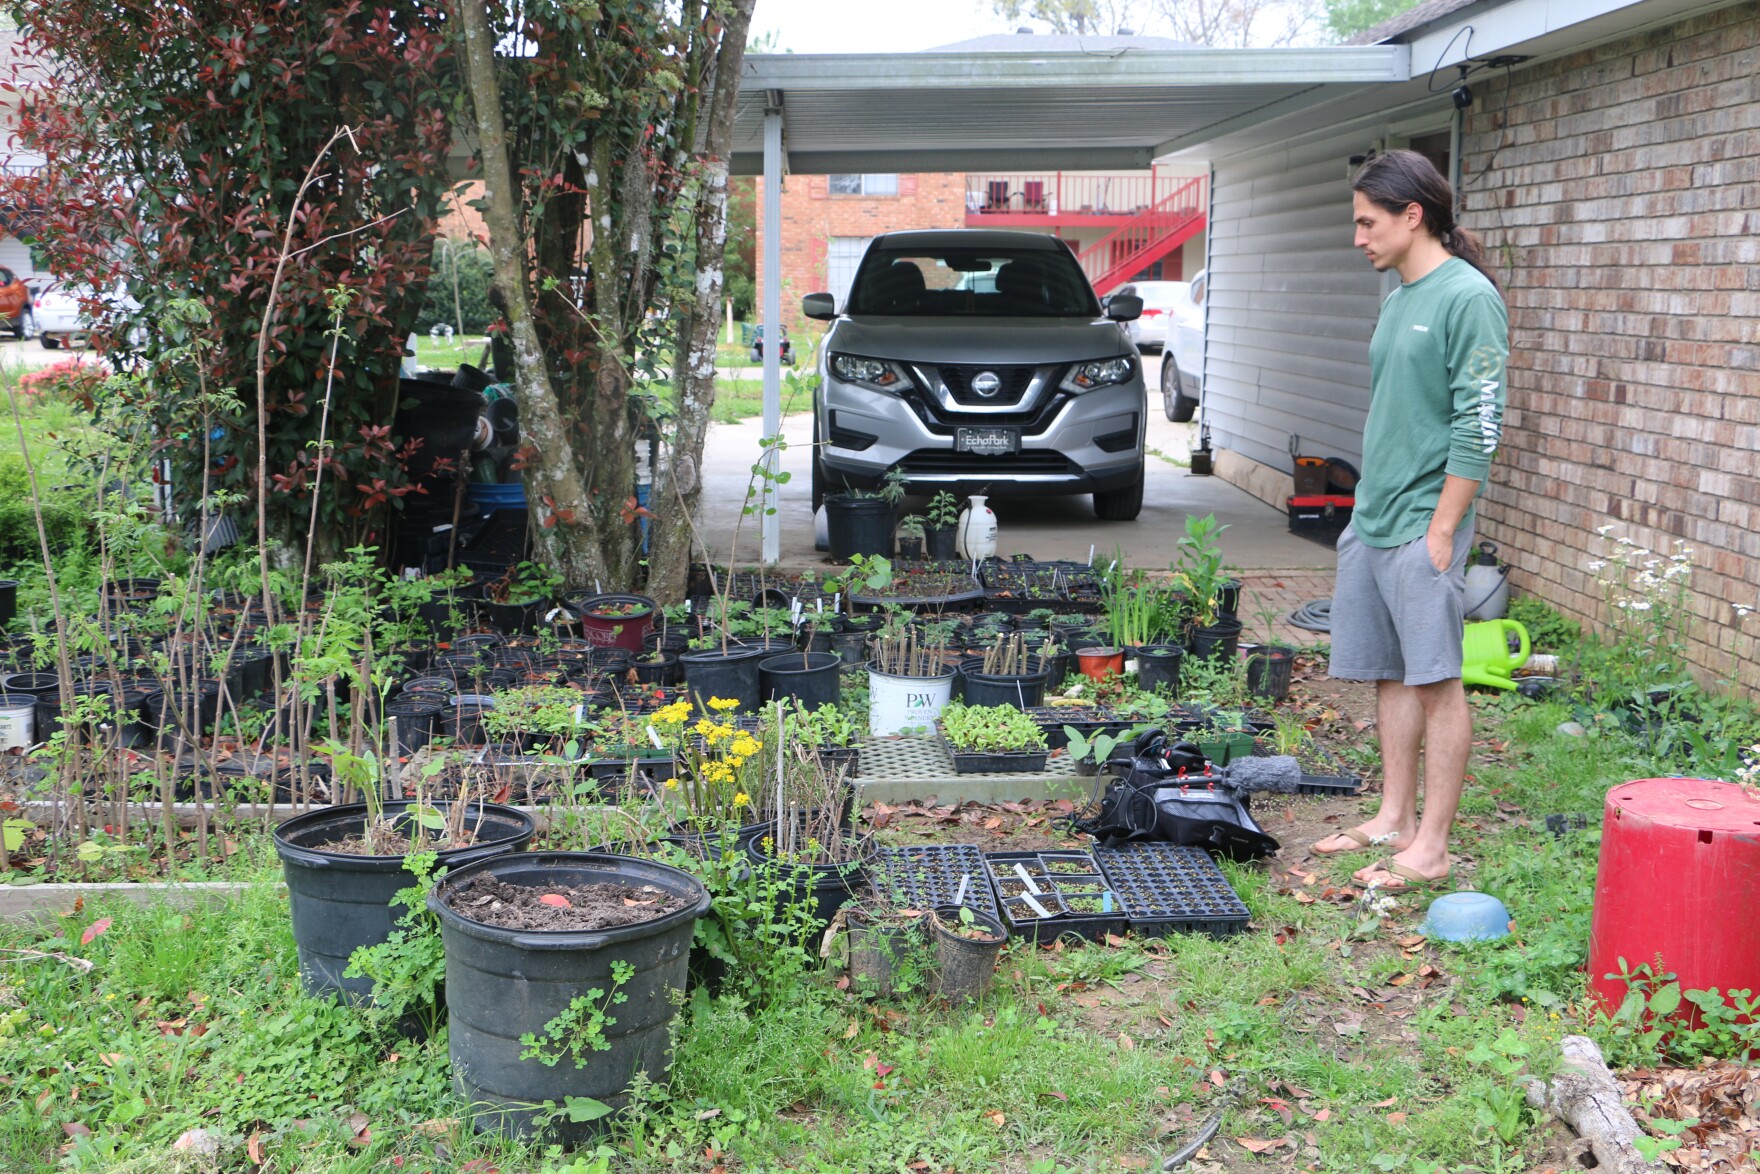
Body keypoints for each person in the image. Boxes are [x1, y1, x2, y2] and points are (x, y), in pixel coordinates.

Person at [1310, 150, 1509, 892]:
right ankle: (1393, 815)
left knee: (1437, 679)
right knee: (1388, 673)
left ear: (1412, 215)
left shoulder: (1467, 298)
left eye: (1368, 222)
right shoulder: (1398, 296)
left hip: (1427, 517)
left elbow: (1479, 422)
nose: (1359, 237)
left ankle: (1432, 845)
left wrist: (1443, 526)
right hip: (1375, 513)